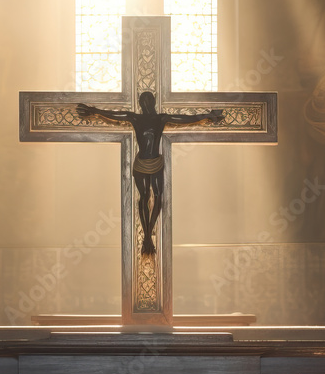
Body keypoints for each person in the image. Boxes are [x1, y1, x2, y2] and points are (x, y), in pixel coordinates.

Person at [76, 91, 223, 254]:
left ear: (152, 102)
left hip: (156, 163)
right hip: (141, 164)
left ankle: (148, 235)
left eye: (148, 100)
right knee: (144, 196)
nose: (145, 103)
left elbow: (183, 118)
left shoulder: (160, 118)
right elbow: (115, 115)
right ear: (140, 104)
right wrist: (95, 111)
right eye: (143, 101)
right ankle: (147, 237)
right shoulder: (135, 118)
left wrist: (206, 116)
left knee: (158, 196)